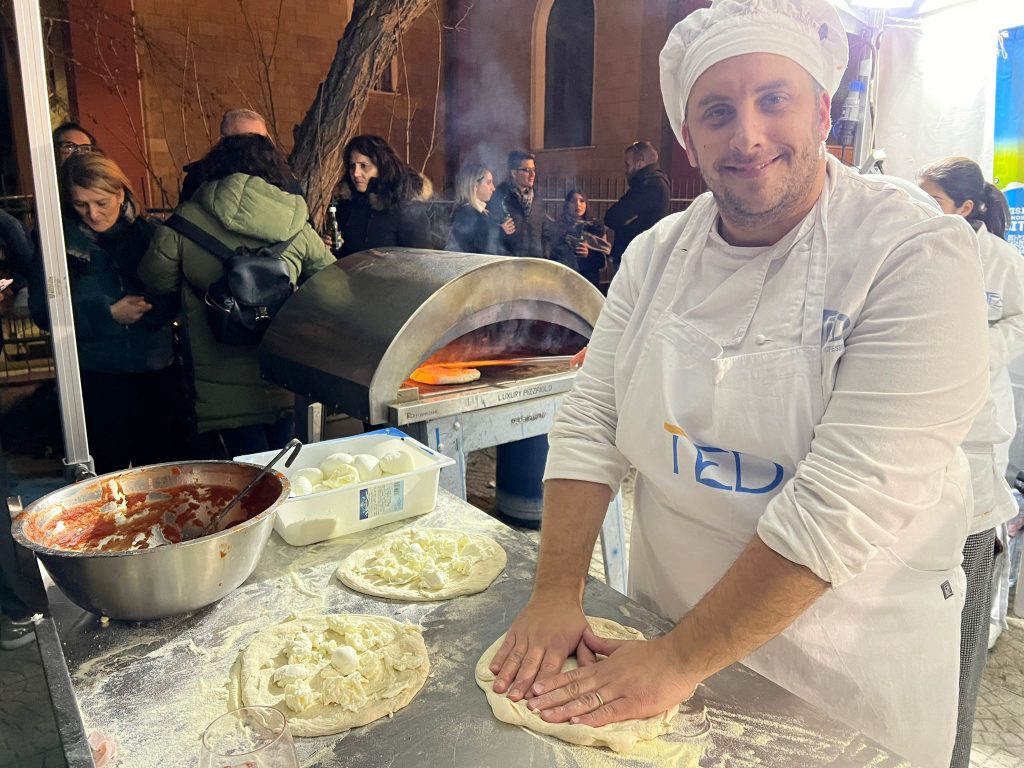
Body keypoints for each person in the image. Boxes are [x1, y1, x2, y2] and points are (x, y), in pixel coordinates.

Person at [487, 2, 988, 766]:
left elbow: (839, 507)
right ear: (688, 139)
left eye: (774, 100)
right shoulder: (655, 255)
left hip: (844, 680)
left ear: (823, 110)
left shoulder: (915, 256)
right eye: (717, 111)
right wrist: (558, 593)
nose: (747, 135)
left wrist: (681, 660)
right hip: (657, 648)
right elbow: (591, 422)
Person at [918, 156, 1024, 768]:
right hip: (926, 448)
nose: (919, 207)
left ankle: (952, 754)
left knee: (961, 620)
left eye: (929, 197)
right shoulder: (919, 256)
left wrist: (978, 350)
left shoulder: (1000, 265)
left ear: (964, 207)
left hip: (977, 450)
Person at [140, 134, 334, 458]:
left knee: (245, 482)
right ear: (275, 172)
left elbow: (155, 278)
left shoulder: (185, 222)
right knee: (287, 470)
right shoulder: (299, 225)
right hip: (282, 374)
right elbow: (333, 283)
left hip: (219, 389)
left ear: (216, 168)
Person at [28, 153, 189, 475]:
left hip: (154, 369)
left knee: (160, 474)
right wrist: (108, 313)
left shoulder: (150, 234)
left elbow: (178, 293)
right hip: (97, 375)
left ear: (121, 194)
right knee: (105, 476)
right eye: (80, 204)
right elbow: (43, 311)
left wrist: (153, 306)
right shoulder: (57, 245)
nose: (93, 213)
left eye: (101, 202)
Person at [330, 135, 435, 257]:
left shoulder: (406, 207)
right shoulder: (346, 204)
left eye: (364, 166)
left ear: (382, 166)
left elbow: (423, 261)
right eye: (352, 166)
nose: (356, 173)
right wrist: (329, 248)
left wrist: (391, 262)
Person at [179, 109, 303, 203]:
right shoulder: (199, 179)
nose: (253, 149)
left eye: (260, 140)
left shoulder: (288, 183)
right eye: (245, 141)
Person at [603, 141, 670, 268]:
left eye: (628, 163)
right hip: (638, 256)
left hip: (636, 259)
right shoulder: (653, 183)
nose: (626, 170)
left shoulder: (649, 186)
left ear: (639, 162)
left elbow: (613, 218)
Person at [542, 189, 609, 288]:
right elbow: (550, 255)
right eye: (573, 201)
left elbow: (602, 262)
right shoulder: (557, 228)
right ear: (567, 205)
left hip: (588, 282)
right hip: (564, 280)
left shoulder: (595, 228)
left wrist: (589, 254)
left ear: (586, 204)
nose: (578, 205)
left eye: (582, 201)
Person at [487, 150, 545, 257]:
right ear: (514, 173)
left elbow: (545, 233)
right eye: (527, 170)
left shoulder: (537, 199)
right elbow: (490, 232)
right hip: (510, 265)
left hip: (536, 264)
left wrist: (546, 255)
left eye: (533, 170)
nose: (532, 175)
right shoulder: (499, 197)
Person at [445, 163, 512, 254]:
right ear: (475, 185)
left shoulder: (481, 212)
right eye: (489, 182)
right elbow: (476, 248)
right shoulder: (466, 214)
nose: (493, 188)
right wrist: (500, 231)